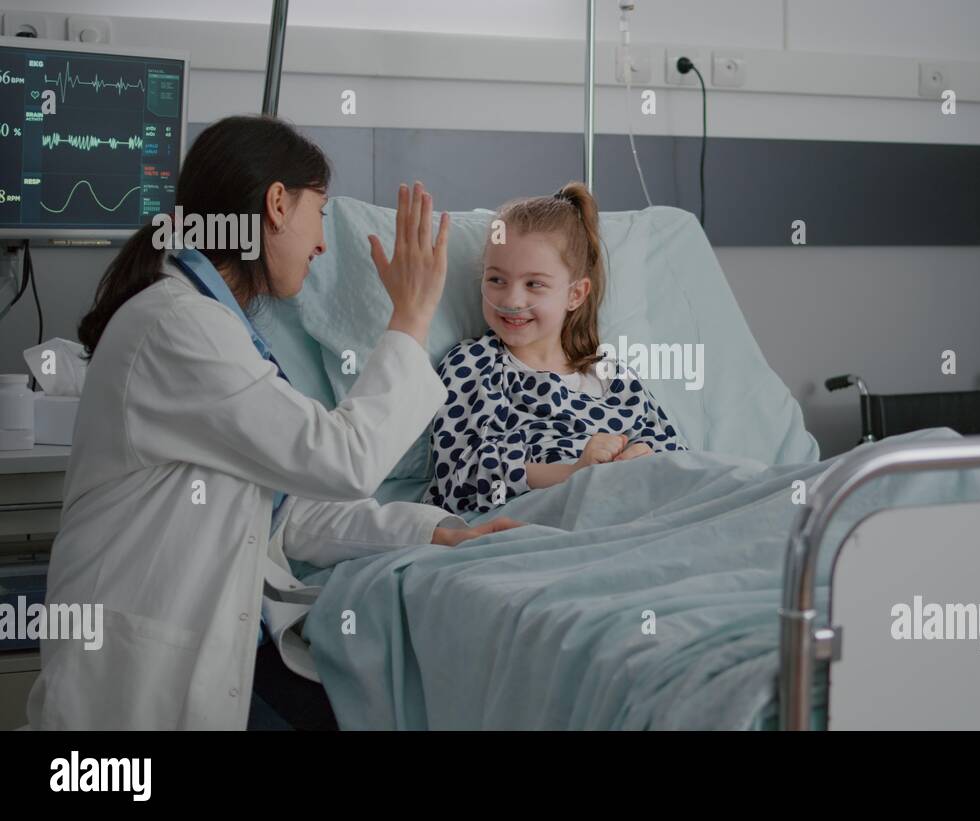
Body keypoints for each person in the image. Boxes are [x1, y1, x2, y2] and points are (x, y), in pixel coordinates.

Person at [26, 115, 520, 730]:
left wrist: (432, 532)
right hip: (140, 682)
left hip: (231, 651)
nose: (321, 243)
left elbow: (288, 510)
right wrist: (410, 319)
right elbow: (340, 459)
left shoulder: (214, 327)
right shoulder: (177, 327)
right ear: (278, 204)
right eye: (321, 212)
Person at [423, 181, 686, 516]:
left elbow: (676, 450)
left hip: (635, 512)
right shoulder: (474, 365)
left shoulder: (613, 376)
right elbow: (457, 478)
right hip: (542, 518)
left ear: (575, 294)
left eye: (535, 284)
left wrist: (643, 453)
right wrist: (575, 473)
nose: (512, 300)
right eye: (496, 280)